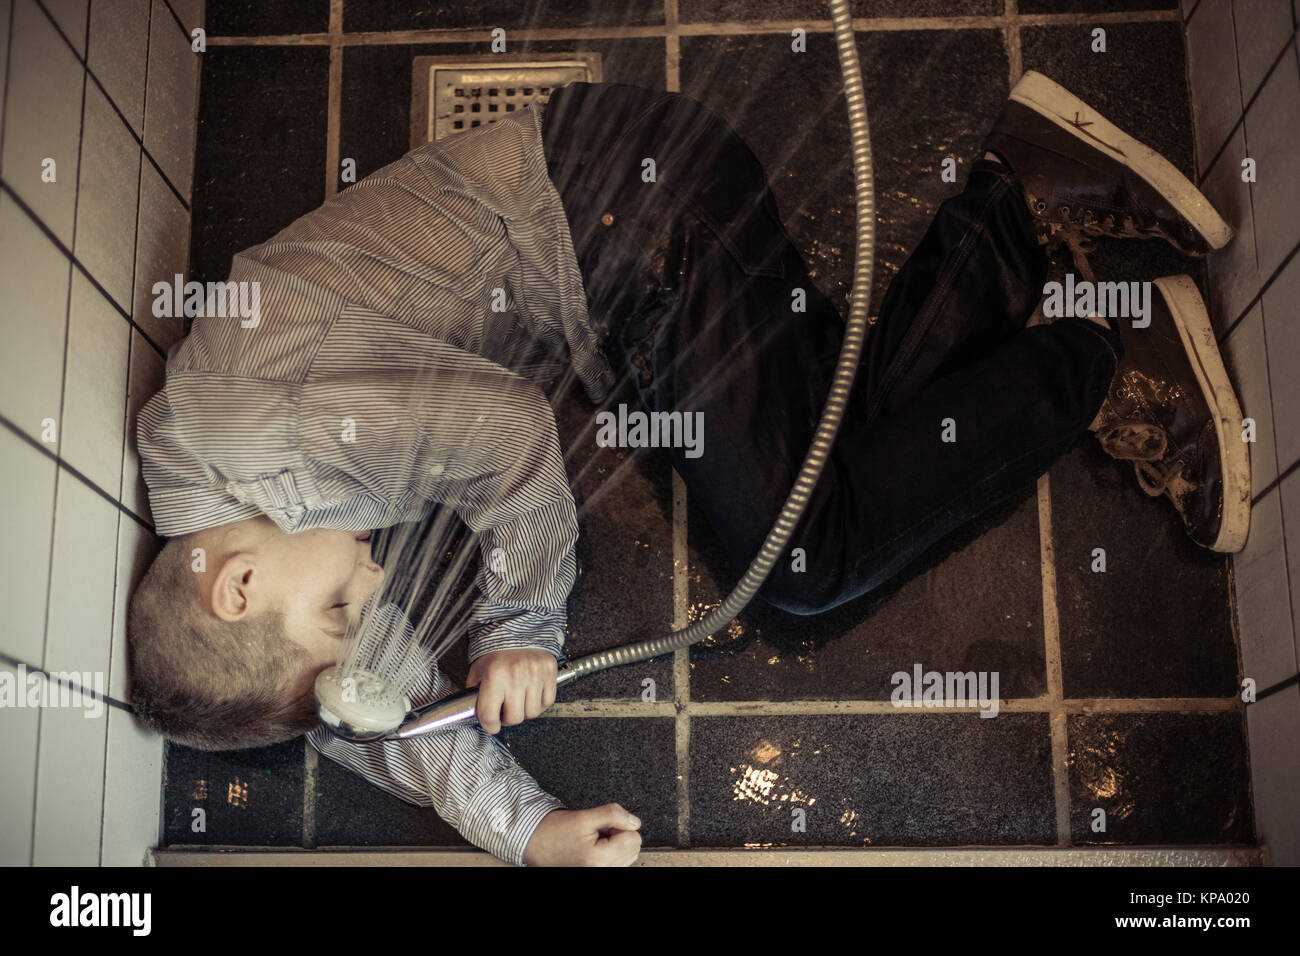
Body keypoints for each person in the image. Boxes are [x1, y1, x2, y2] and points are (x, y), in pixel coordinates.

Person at [126, 71, 1248, 867]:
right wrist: (524, 831)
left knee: (801, 558)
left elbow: (511, 433)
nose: (372, 591)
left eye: (339, 602)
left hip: (631, 220)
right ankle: (1020, 202)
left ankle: (1104, 353)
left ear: (233, 585)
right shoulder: (224, 535)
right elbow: (368, 709)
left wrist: (522, 622)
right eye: (344, 609)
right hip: (630, 239)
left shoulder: (254, 404)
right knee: (831, 452)